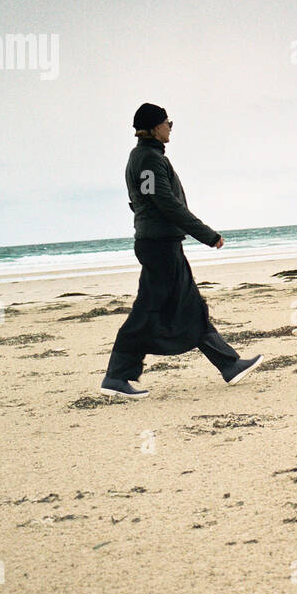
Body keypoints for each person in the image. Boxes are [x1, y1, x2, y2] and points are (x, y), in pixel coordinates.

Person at [99, 103, 262, 397]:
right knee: (147, 313)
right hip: (158, 246)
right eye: (167, 122)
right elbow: (166, 203)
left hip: (160, 244)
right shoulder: (148, 159)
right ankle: (116, 376)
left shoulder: (145, 156)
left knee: (189, 307)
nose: (171, 127)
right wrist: (207, 234)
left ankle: (229, 365)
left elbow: (145, 203)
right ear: (153, 128)